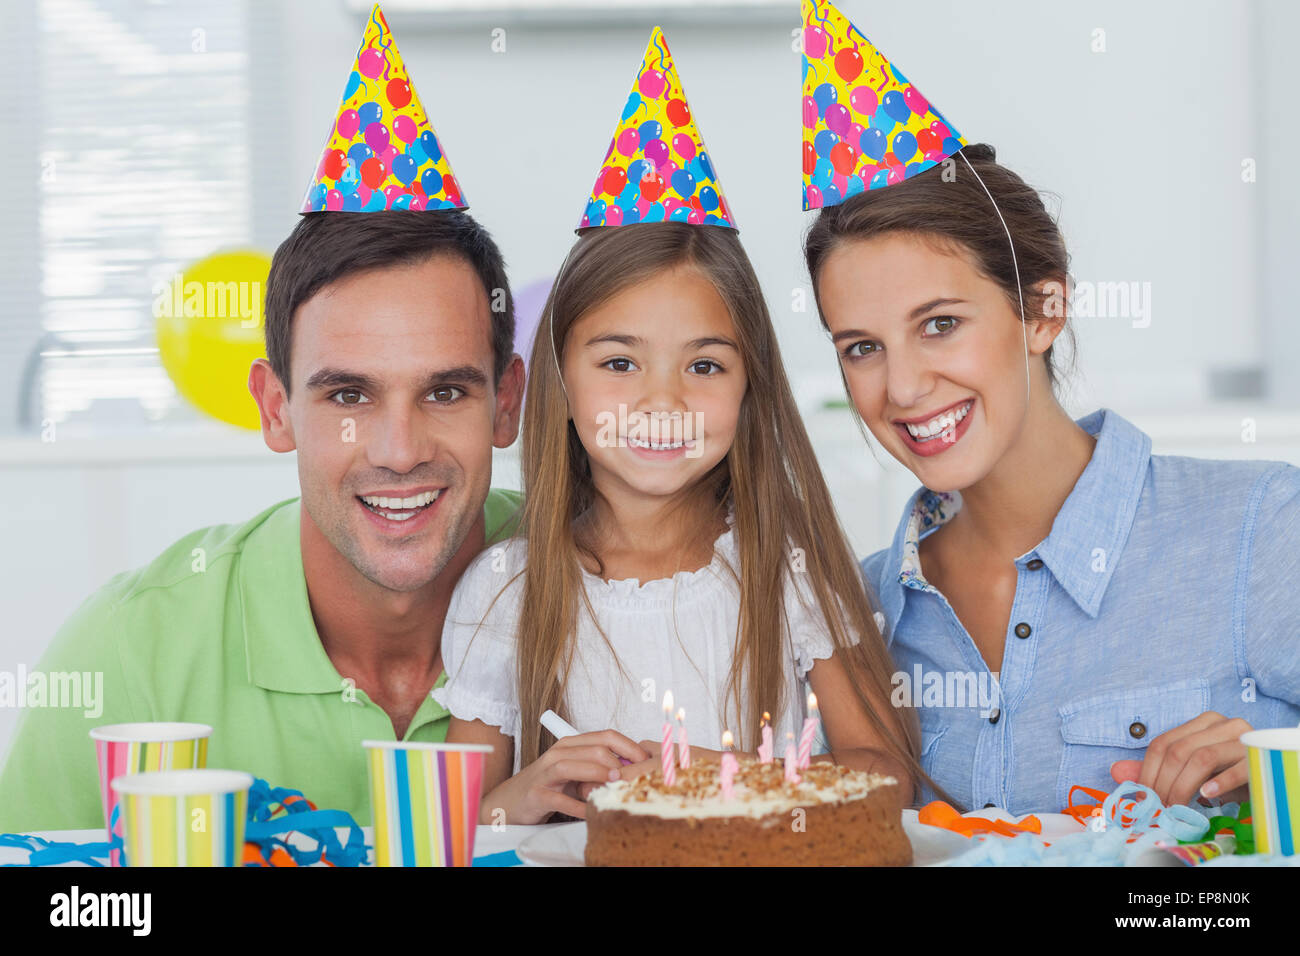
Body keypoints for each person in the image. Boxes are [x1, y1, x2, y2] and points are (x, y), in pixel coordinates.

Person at [0, 4, 526, 829]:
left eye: (445, 391)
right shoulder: (133, 652)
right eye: (348, 395)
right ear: (275, 409)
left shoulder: (617, 599)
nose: (397, 451)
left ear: (508, 404)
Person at [799, 5, 1300, 817]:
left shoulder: (1258, 530)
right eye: (861, 346)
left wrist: (1286, 764)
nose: (901, 387)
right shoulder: (856, 614)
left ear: (1042, 309)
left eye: (940, 325)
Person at [434, 29, 925, 825]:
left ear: (749, 385)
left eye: (703, 366)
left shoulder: (788, 566)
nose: (662, 404)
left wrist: (728, 778)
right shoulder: (507, 591)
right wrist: (522, 794)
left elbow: (888, 777)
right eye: (620, 364)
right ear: (558, 381)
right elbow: (452, 821)